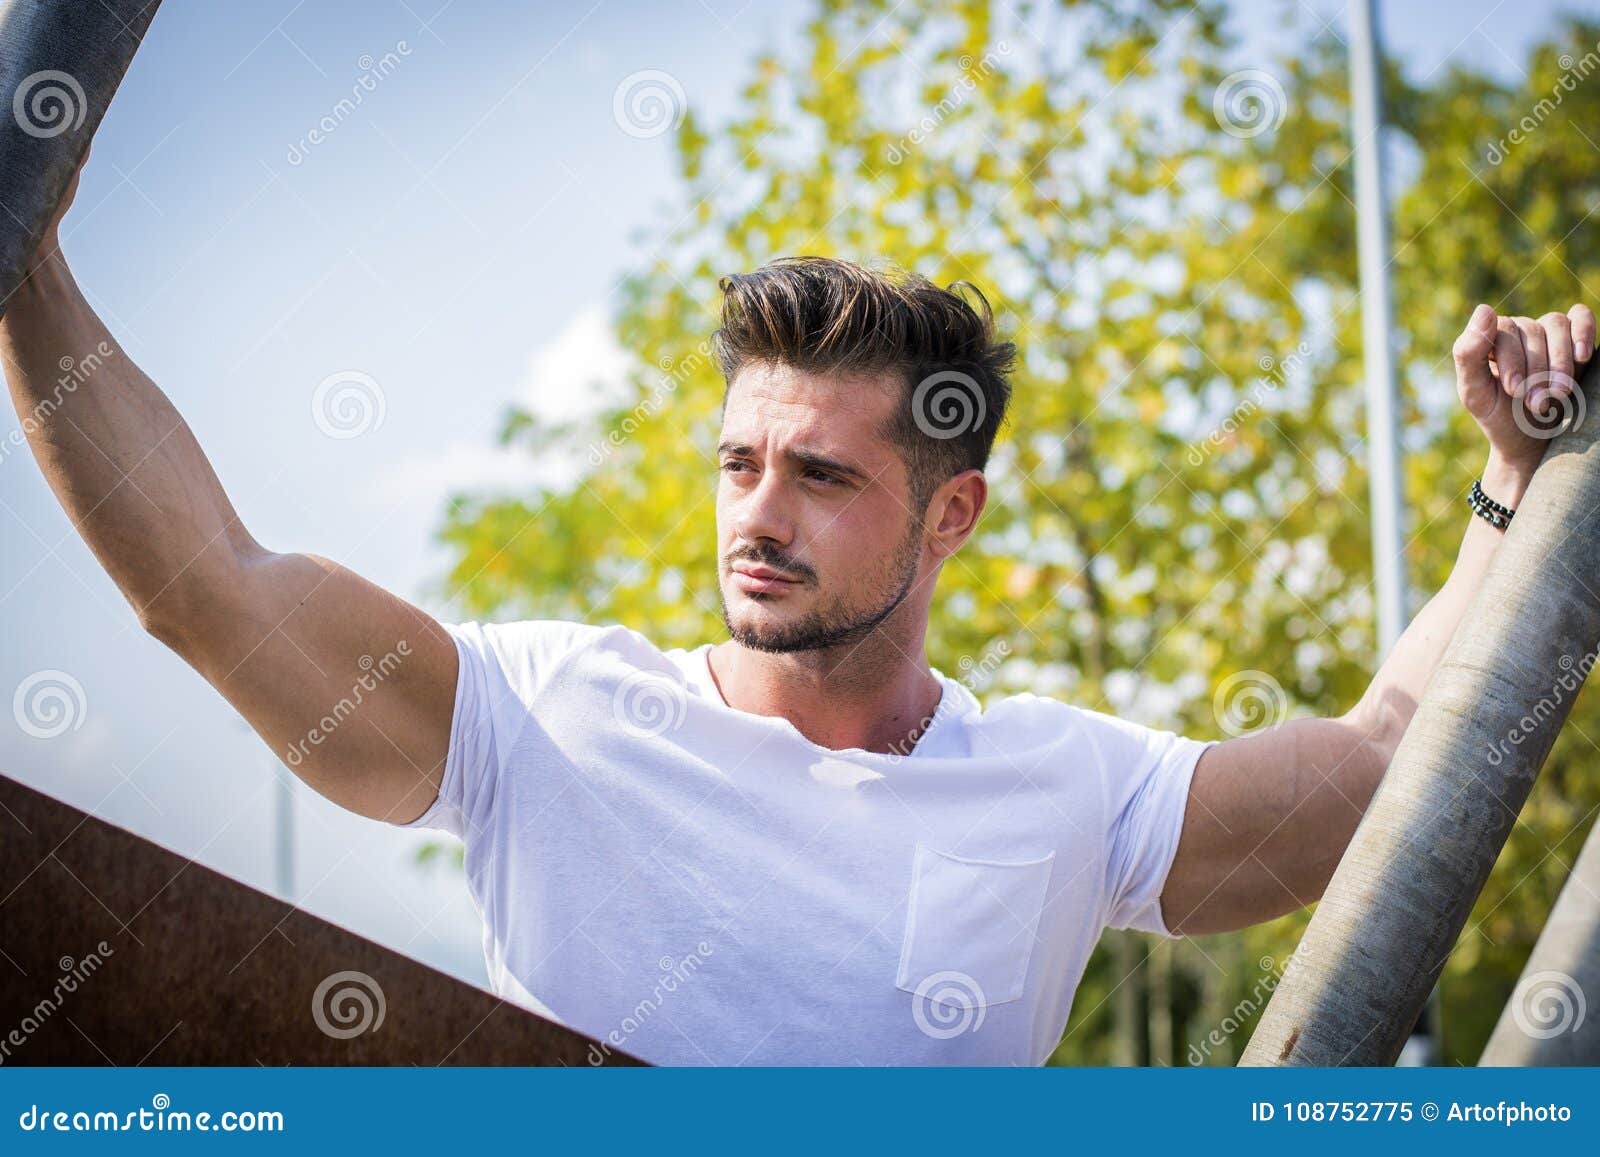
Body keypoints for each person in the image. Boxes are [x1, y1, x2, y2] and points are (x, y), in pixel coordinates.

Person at [3, 159, 1591, 1065]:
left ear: (950, 513)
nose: (758, 514)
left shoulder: (1070, 783)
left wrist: (1514, 484)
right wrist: (27, 258)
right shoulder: (544, 711)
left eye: (822, 475)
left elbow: (1389, 772)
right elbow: (207, 584)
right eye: (739, 462)